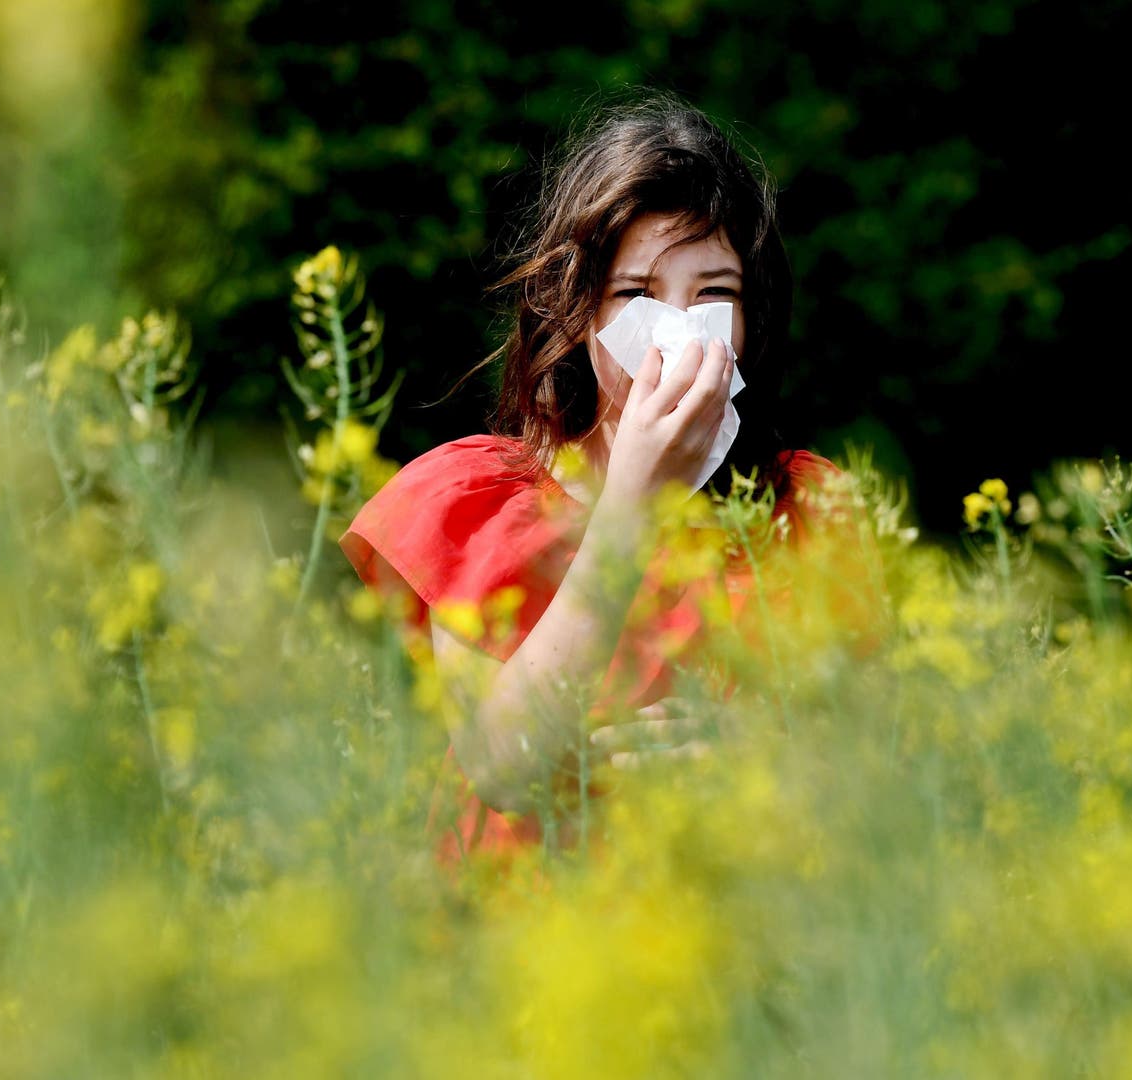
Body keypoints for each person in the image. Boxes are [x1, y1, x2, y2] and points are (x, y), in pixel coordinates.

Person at [340, 90, 837, 870]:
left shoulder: (813, 514)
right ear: (578, 311)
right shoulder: (471, 504)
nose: (679, 333)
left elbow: (884, 773)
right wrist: (633, 503)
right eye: (638, 294)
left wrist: (753, 759)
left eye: (714, 294)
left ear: (751, 319)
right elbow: (503, 765)